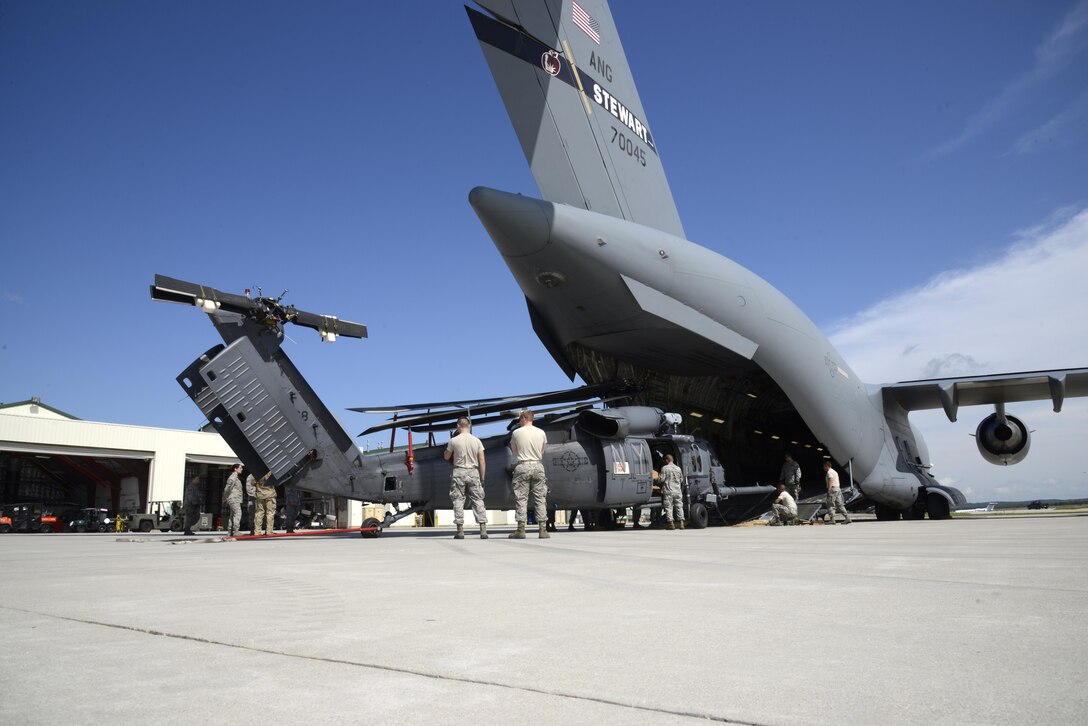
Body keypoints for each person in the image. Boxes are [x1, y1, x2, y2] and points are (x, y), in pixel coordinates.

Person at [443, 417, 488, 540]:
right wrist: (482, 478)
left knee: (458, 500)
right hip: (474, 472)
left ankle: (460, 530)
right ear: (468, 425)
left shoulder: (453, 441)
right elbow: (482, 461)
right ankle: (483, 530)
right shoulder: (477, 441)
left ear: (458, 426)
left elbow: (446, 457)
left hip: (459, 471)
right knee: (478, 500)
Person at [509, 409, 548, 540]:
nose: (520, 421)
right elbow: (542, 451)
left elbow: (514, 451)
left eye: (520, 419)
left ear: (524, 418)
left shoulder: (516, 432)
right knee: (540, 498)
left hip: (523, 465)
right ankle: (543, 529)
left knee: (521, 498)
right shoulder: (541, 432)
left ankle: (520, 530)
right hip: (537, 465)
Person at [659, 454, 685, 530]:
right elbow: (681, 480)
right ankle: (681, 523)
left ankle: (671, 524)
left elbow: (661, 479)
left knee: (668, 507)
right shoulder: (678, 468)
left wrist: (655, 480)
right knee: (679, 506)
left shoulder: (665, 468)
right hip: (677, 491)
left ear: (667, 460)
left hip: (668, 491)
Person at [222, 463, 243, 536]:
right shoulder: (233, 477)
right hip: (234, 499)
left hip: (234, 498)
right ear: (235, 469)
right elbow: (227, 489)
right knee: (238, 513)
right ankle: (236, 531)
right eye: (240, 468)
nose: (241, 469)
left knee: (232, 515)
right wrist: (225, 497)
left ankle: (230, 531)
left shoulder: (236, 477)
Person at [252, 471, 276, 535]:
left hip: (260, 494)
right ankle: (269, 531)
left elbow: (252, 482)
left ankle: (257, 531)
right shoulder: (271, 471)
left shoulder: (256, 472)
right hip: (270, 494)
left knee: (259, 513)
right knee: (270, 513)